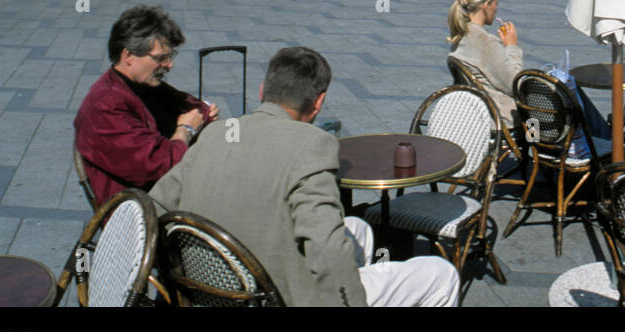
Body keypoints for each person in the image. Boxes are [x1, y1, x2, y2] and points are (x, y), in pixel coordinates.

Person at [150, 46, 458, 307]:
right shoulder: (311, 145)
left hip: (210, 287)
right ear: (318, 103)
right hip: (276, 295)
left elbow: (155, 207)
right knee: (441, 275)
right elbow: (325, 248)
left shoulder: (216, 134)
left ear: (263, 91)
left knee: (358, 228)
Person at [74, 6, 218, 206]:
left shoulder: (144, 85)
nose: (169, 65)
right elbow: (157, 165)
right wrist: (185, 130)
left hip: (168, 191)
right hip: (141, 214)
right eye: (160, 58)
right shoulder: (104, 108)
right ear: (128, 56)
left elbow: (198, 109)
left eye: (170, 57)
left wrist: (195, 120)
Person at [447, 0, 610, 151]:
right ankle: (595, 144)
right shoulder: (484, 41)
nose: (496, 9)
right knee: (567, 95)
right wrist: (512, 46)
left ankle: (596, 140)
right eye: (496, 3)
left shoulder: (462, 36)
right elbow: (514, 85)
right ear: (486, 5)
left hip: (481, 112)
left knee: (564, 94)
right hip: (506, 118)